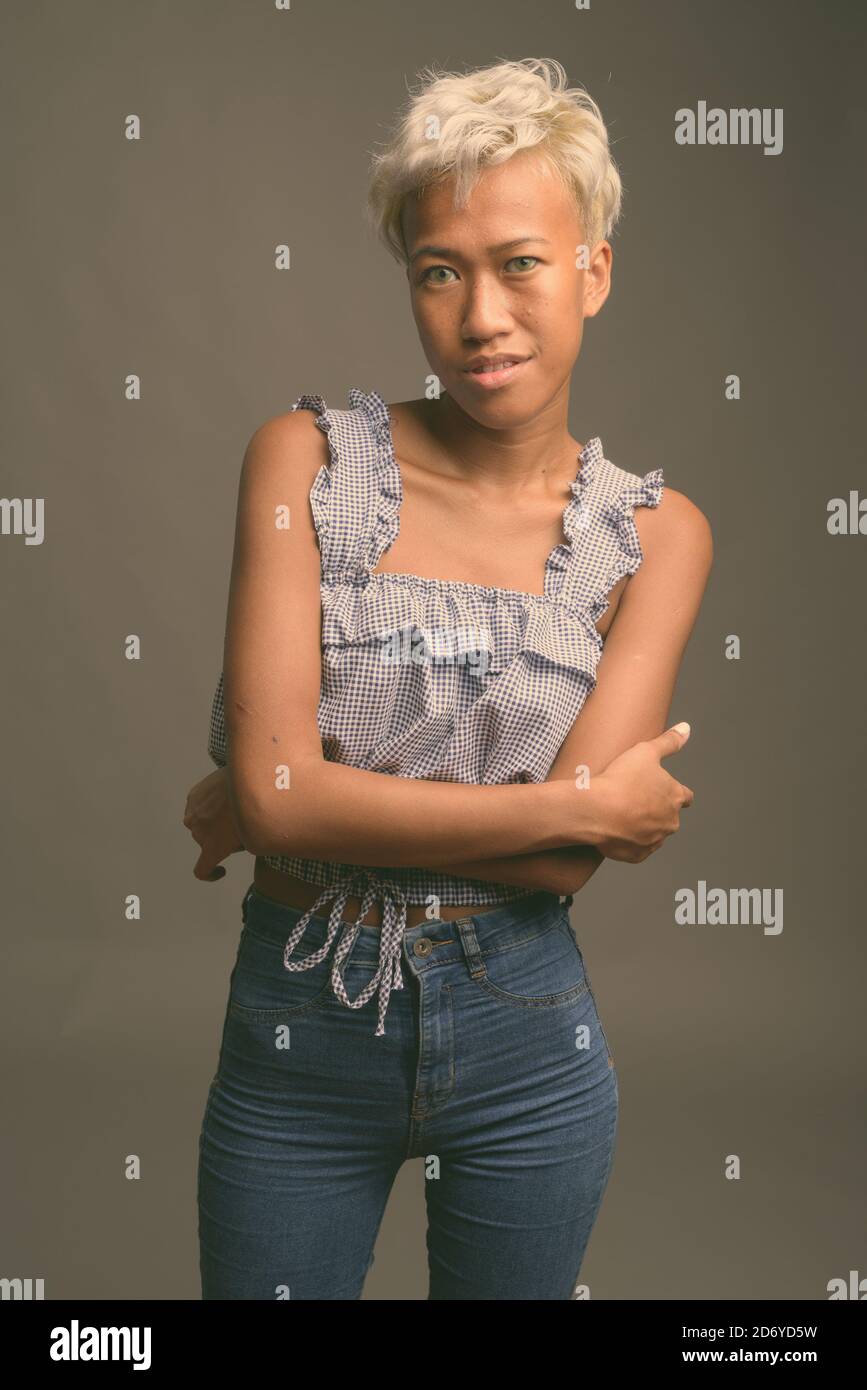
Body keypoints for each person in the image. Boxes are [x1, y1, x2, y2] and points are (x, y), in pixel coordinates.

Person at [186, 56, 712, 1300]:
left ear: (593, 268)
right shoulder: (303, 460)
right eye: (441, 270)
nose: (481, 316)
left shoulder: (654, 536)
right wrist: (578, 799)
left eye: (521, 261)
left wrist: (313, 794)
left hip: (529, 1032)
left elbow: (556, 868)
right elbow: (275, 800)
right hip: (299, 1023)